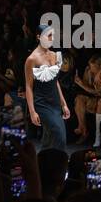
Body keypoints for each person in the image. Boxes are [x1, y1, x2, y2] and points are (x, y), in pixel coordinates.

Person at [25, 23, 70, 152]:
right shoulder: (32, 59)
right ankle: (59, 166)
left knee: (50, 139)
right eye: (49, 35)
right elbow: (28, 86)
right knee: (59, 136)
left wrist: (64, 104)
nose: (51, 38)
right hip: (41, 103)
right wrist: (32, 111)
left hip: (55, 102)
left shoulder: (55, 55)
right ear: (39, 37)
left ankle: (42, 166)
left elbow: (55, 82)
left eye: (53, 35)